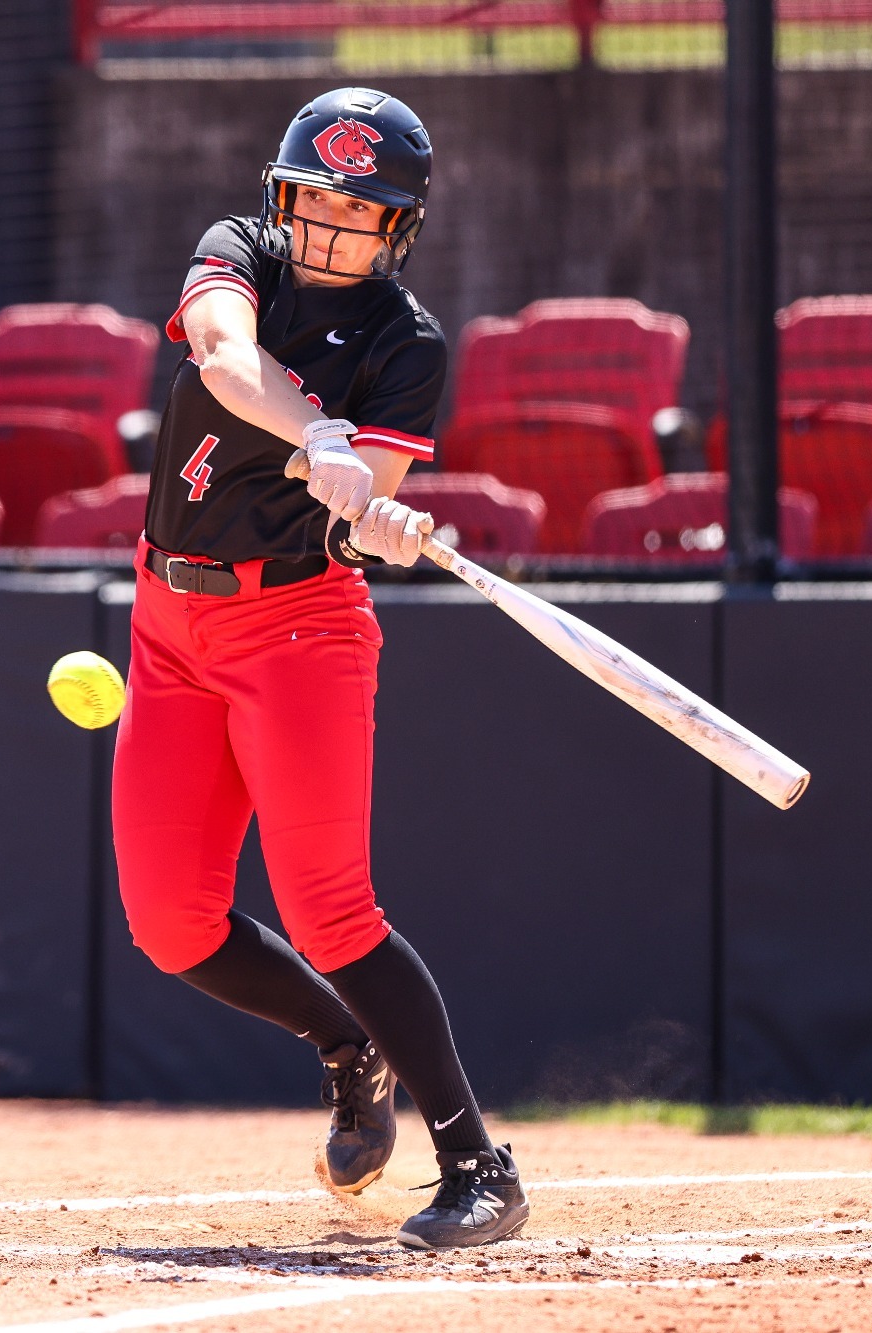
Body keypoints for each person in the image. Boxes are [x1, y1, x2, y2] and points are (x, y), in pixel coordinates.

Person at [113, 88, 528, 1251]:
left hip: (294, 629)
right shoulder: (237, 251)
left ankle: (477, 1162)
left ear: (399, 228)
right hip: (167, 621)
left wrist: (374, 519)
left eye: (361, 213)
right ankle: (348, 1046)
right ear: (279, 197)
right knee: (168, 920)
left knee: (331, 907)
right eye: (316, 203)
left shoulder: (405, 346)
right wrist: (323, 437)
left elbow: (354, 519)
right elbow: (222, 353)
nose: (332, 229)